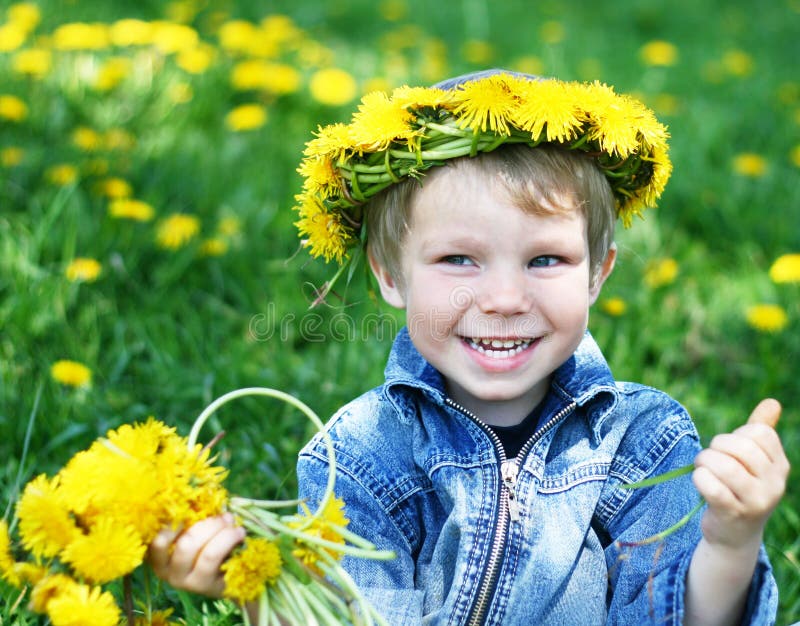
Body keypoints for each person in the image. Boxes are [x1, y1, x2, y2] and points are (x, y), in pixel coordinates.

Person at [149, 70, 789, 625]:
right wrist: (258, 592)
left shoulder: (641, 441)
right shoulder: (360, 456)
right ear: (390, 275)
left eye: (545, 259)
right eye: (459, 259)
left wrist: (730, 542)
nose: (505, 298)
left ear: (597, 273)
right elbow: (346, 615)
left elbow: (672, 614)